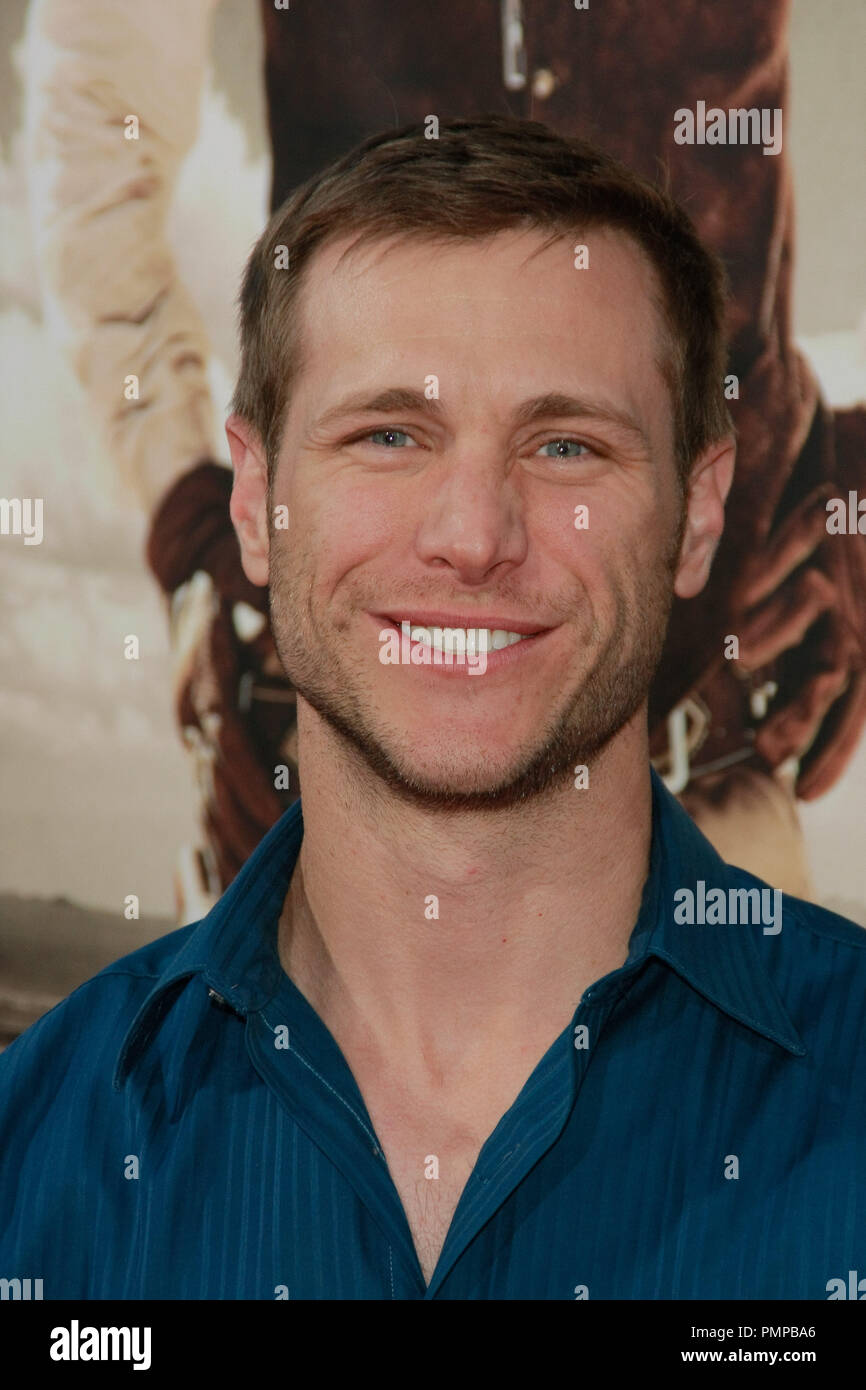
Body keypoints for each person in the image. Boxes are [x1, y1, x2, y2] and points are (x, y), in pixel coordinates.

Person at [2, 117, 864, 1300]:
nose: (471, 537)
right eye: (389, 434)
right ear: (253, 502)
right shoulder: (31, 1151)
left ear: (696, 512)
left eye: (564, 445)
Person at [27, 0, 866, 918]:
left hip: (714, 748)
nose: (477, 542)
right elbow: (98, 120)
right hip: (336, 775)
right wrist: (182, 503)